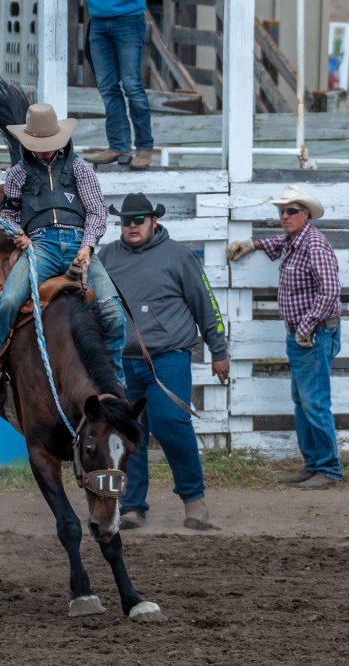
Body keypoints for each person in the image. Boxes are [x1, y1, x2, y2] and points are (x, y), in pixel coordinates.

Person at [0, 103, 125, 412]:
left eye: (51, 145)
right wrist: (15, 233)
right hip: (40, 248)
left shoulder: (79, 169)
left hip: (78, 244)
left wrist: (88, 247)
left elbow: (96, 211)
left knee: (113, 312)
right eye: (40, 146)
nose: (46, 152)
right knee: (8, 302)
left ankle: (114, 378)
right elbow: (8, 212)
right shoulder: (18, 174)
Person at [98, 193, 229, 531]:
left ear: (153, 221)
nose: (132, 226)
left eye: (138, 219)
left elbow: (206, 304)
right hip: (121, 361)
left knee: (171, 423)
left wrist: (219, 352)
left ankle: (194, 499)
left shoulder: (180, 256)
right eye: (126, 220)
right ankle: (132, 506)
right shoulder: (106, 257)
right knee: (128, 435)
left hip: (168, 356)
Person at [227, 185, 343, 490]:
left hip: (313, 333)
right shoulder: (295, 241)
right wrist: (253, 244)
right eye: (281, 211)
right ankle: (314, 465)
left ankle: (328, 469)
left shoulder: (314, 245)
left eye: (291, 210)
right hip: (307, 333)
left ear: (306, 213)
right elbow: (279, 243)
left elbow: (330, 291)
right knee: (303, 401)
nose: (284, 216)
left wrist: (305, 327)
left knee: (313, 402)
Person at [84, 0, 154, 170]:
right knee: (107, 87)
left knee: (132, 85)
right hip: (98, 19)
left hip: (128, 18)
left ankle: (144, 148)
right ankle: (119, 147)